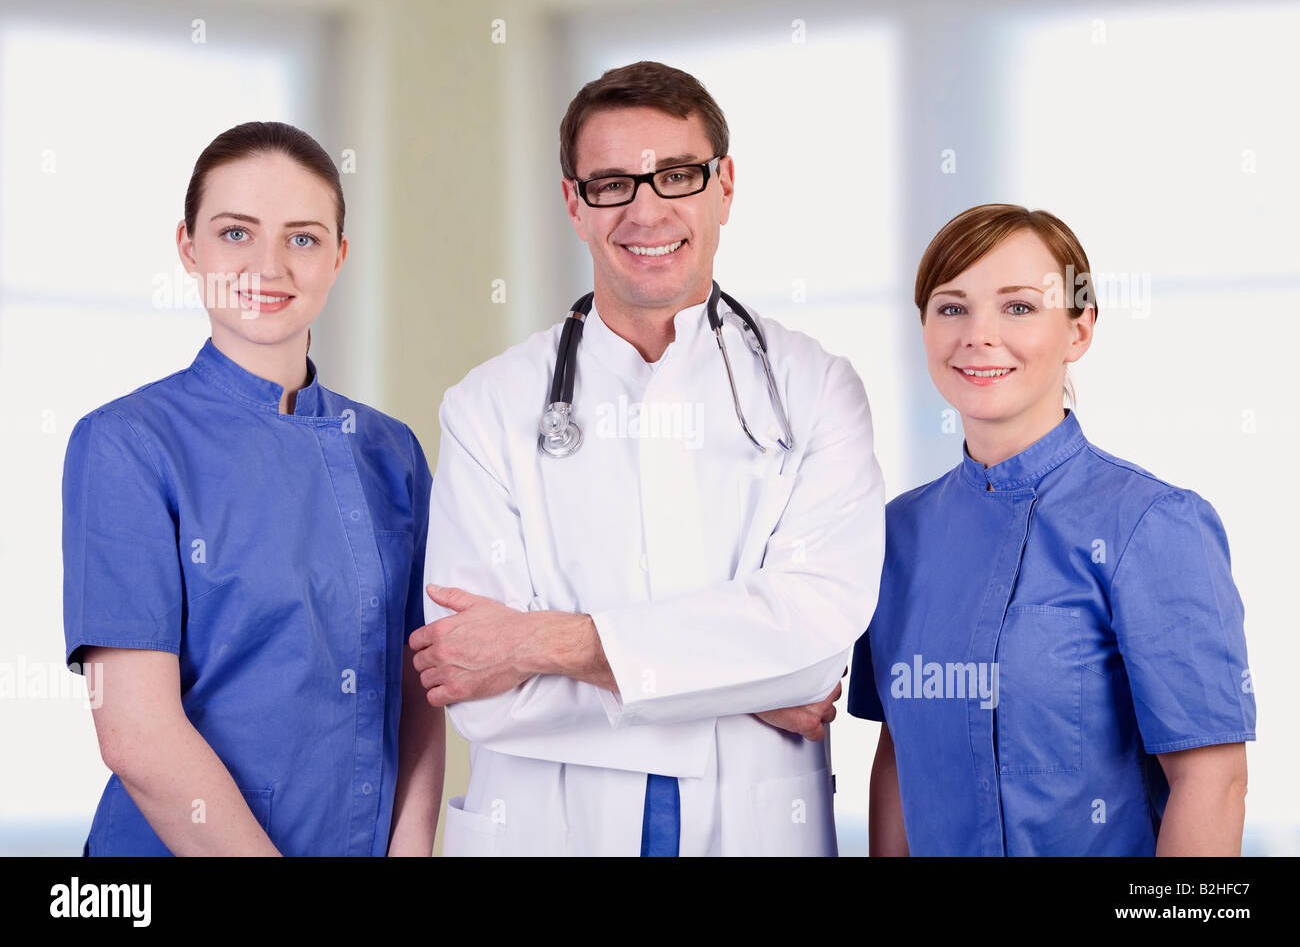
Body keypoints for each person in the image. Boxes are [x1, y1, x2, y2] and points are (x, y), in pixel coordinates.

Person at [410, 61, 885, 856]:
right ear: (574, 203)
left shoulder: (817, 388)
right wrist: (738, 682)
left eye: (677, 176)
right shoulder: (487, 406)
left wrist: (540, 644)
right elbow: (476, 691)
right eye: (611, 184)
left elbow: (815, 642)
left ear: (724, 185)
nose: (646, 210)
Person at [61, 121, 444, 856]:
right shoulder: (127, 444)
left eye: (302, 239)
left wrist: (411, 848)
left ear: (338, 257)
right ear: (188, 247)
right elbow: (136, 734)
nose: (267, 266)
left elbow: (421, 682)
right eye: (236, 233)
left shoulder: (391, 451)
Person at [848, 203, 1255, 856]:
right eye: (953, 307)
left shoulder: (1151, 525)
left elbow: (1213, 779)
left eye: (1018, 307)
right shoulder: (895, 535)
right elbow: (898, 752)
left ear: (1079, 330)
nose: (979, 335)